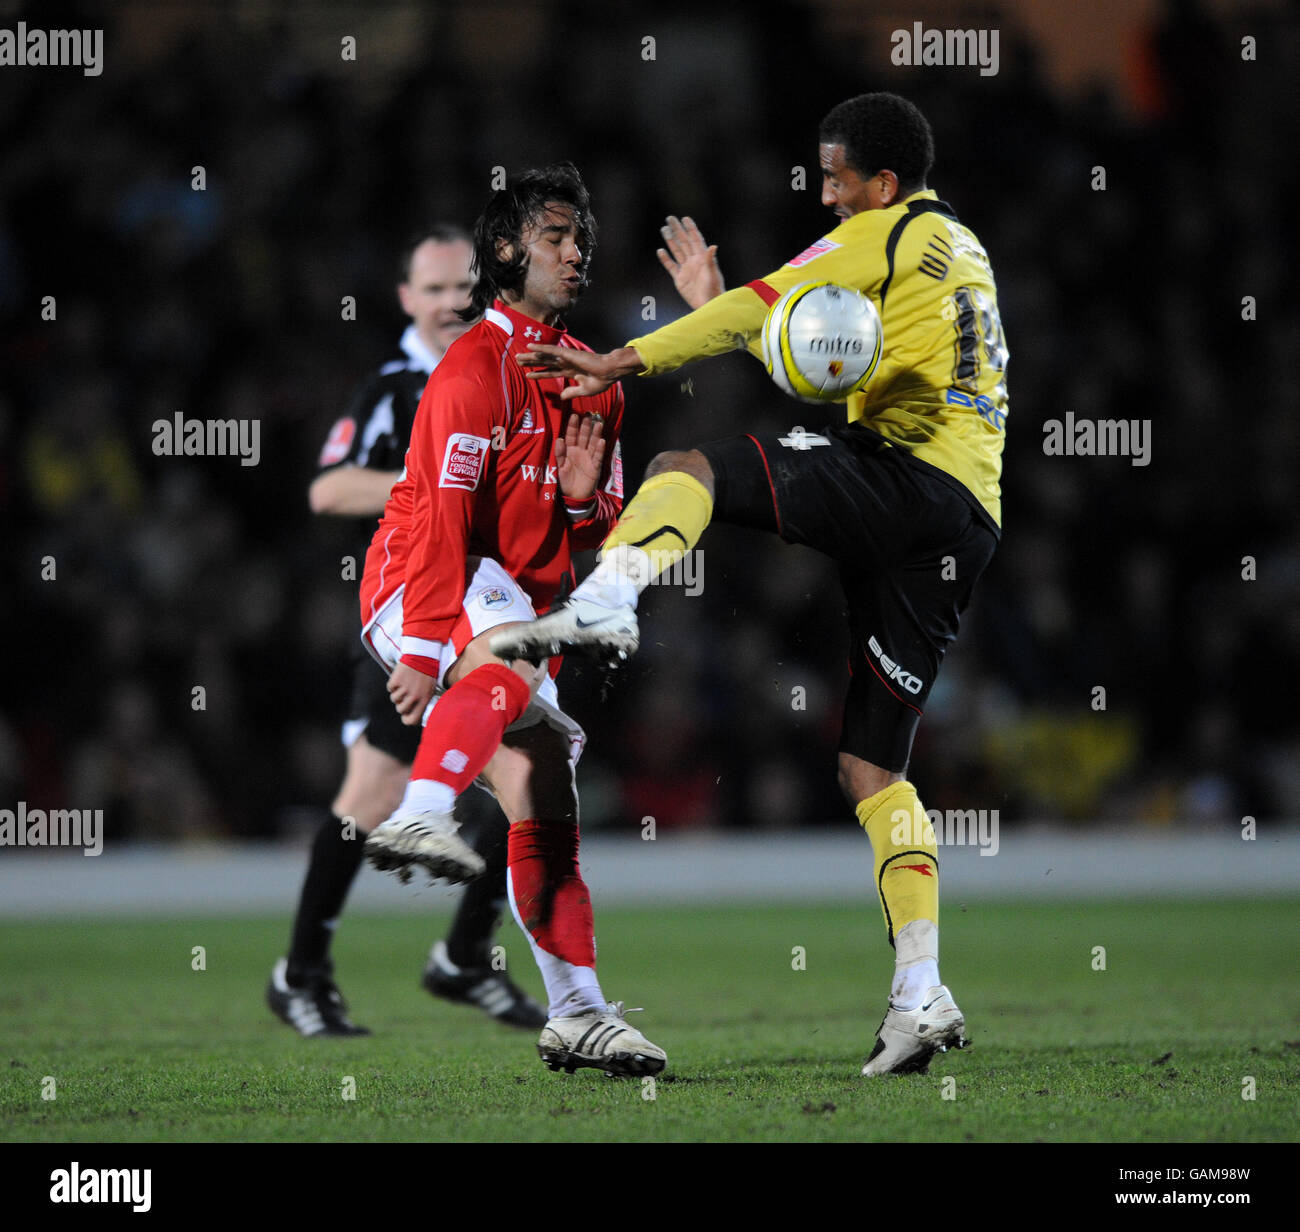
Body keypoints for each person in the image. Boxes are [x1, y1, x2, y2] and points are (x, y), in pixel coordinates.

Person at [493, 93, 1007, 1076]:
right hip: (964, 514)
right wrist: (735, 313)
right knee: (873, 768)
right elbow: (808, 362)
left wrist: (619, 357)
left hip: (901, 477)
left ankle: (607, 597)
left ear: (881, 184)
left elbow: (758, 311)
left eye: (834, 177)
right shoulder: (961, 249)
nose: (823, 193)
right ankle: (920, 990)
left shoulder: (881, 233)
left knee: (686, 465)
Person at [358, 163, 666, 1077]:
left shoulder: (598, 384)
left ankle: (575, 1012)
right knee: (509, 654)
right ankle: (419, 810)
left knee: (545, 793)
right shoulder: (472, 369)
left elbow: (603, 535)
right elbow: (444, 523)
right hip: (421, 580)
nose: (578, 253)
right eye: (556, 237)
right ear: (505, 249)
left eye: (582, 239)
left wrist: (580, 506)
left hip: (510, 607)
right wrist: (420, 650)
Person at [267, 226, 546, 1037]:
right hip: (412, 619)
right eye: (432, 288)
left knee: (528, 781)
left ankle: (464, 958)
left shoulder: (509, 370)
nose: (450, 302)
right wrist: (432, 476)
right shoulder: (396, 387)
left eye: (464, 286)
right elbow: (326, 491)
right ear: (404, 300)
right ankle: (301, 974)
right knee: (371, 796)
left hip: (491, 614)